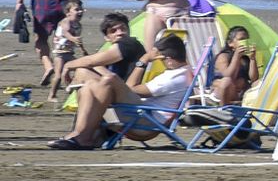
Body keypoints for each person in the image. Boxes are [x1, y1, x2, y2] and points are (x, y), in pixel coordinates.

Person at [48, 34, 192, 150]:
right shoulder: (180, 73)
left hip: (147, 122)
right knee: (85, 74)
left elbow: (131, 87)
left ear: (169, 60)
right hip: (140, 113)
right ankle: (81, 134)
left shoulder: (175, 78)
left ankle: (84, 136)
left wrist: (143, 61)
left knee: (110, 79)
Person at [61, 13, 145, 85]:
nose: (119, 33)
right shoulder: (113, 50)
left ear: (129, 30)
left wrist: (68, 65)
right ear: (107, 38)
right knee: (86, 69)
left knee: (83, 72)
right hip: (120, 90)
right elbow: (95, 62)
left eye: (123, 29)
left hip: (129, 93)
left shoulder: (130, 43)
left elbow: (90, 61)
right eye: (113, 31)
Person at [47, 0, 86, 102]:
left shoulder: (78, 25)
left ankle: (70, 87)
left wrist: (83, 50)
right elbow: (66, 32)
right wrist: (73, 38)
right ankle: (52, 95)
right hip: (59, 53)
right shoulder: (65, 21)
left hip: (69, 52)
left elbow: (78, 40)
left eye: (81, 9)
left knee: (78, 69)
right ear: (68, 13)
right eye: (77, 10)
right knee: (58, 75)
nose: (80, 11)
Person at [212, 25, 259, 105]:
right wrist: (236, 56)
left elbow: (254, 78)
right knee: (227, 81)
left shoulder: (245, 58)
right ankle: (223, 109)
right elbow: (228, 76)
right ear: (230, 43)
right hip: (224, 91)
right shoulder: (223, 56)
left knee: (259, 83)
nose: (245, 41)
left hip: (241, 92)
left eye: (247, 39)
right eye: (241, 39)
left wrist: (252, 59)